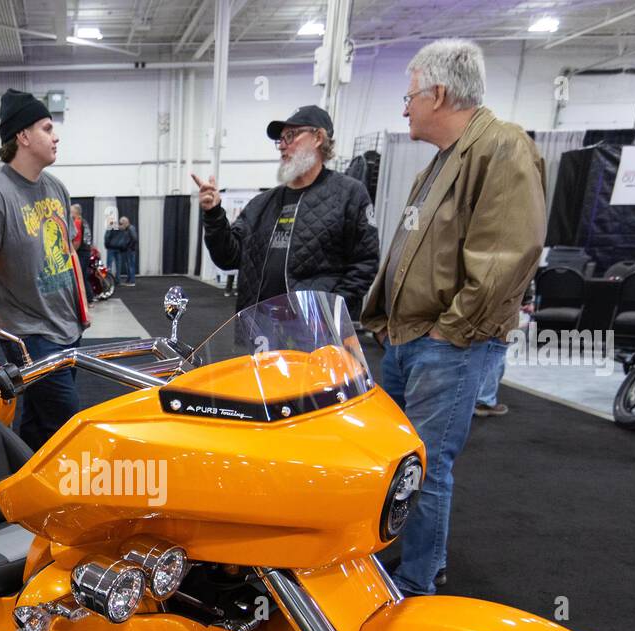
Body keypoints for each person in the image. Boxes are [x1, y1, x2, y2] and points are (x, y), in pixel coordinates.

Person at [360, 39, 545, 596]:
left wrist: (452, 330)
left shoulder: (503, 147)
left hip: (446, 341)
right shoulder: (441, 163)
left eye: (410, 95)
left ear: (438, 93)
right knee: (403, 464)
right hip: (409, 338)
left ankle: (418, 582)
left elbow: (509, 252)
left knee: (426, 466)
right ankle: (406, 565)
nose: (404, 107)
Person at [0, 89, 83, 450]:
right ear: (23, 137)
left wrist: (81, 312)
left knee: (38, 423)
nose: (55, 136)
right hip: (29, 336)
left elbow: (69, 255)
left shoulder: (56, 188)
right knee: (72, 424)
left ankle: (20, 485)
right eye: (46, 127)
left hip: (67, 327)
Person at [192, 104, 378, 315]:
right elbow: (229, 257)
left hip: (315, 335)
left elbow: (365, 263)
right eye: (280, 139)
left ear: (318, 138)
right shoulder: (262, 204)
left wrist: (329, 314)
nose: (282, 145)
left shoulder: (349, 195)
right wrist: (214, 213)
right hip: (260, 329)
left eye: (290, 136)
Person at [103, 216, 137, 287]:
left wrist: (107, 245)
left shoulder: (112, 227)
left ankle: (108, 281)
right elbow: (125, 239)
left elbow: (107, 237)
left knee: (109, 265)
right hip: (119, 249)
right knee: (118, 266)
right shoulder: (123, 229)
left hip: (112, 248)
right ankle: (118, 280)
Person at [70, 203, 94, 301]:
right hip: (86, 252)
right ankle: (88, 299)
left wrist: (72, 254)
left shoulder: (77, 222)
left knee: (80, 277)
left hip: (81, 253)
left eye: (71, 211)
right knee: (83, 276)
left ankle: (87, 299)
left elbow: (77, 241)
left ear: (76, 212)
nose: (69, 213)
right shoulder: (84, 222)